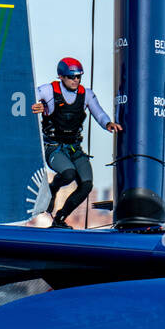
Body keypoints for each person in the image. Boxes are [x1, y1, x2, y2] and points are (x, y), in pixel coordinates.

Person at [30, 57, 121, 228]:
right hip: (54, 148)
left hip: (74, 148)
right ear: (61, 77)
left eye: (79, 76)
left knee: (86, 185)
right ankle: (52, 189)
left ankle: (60, 218)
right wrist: (35, 105)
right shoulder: (49, 91)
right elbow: (27, 96)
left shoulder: (86, 94)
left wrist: (108, 123)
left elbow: (99, 113)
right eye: (71, 77)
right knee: (68, 174)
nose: (76, 80)